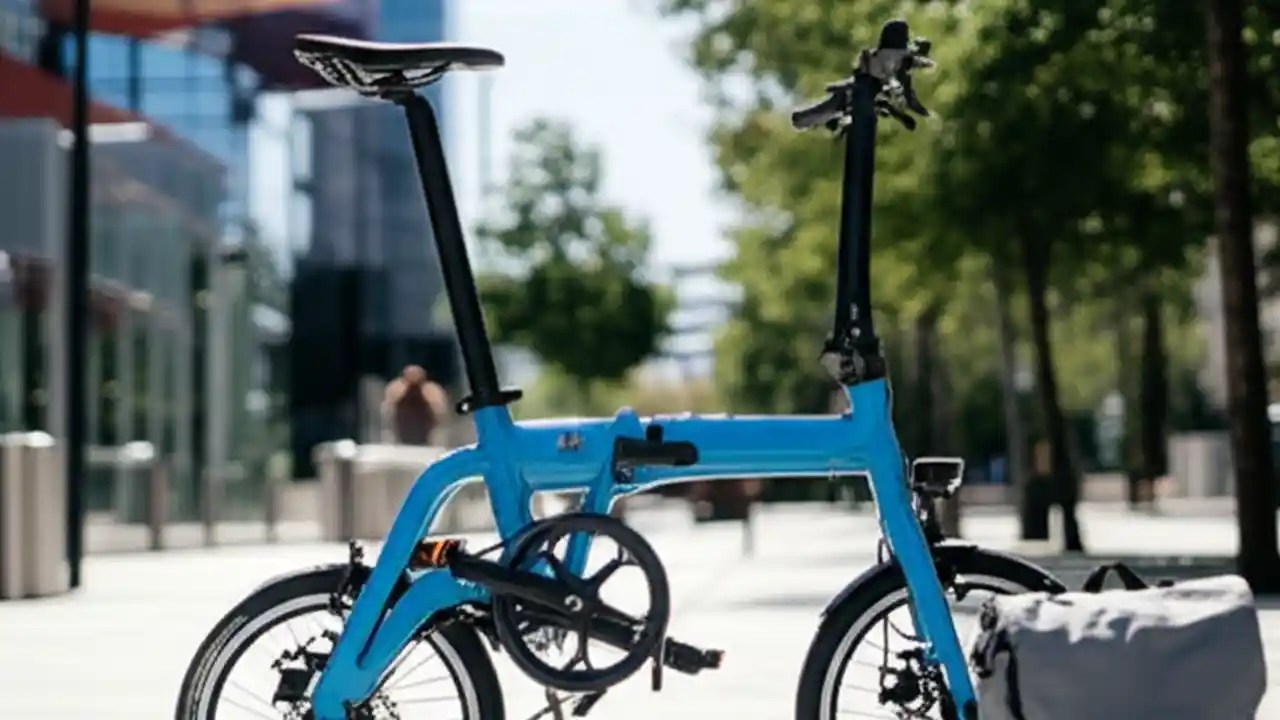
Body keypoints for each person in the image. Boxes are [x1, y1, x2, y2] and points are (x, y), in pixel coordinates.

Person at [383, 365, 449, 445]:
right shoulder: (395, 389)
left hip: (426, 433)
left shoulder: (432, 391)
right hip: (401, 434)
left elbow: (440, 412)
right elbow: (388, 411)